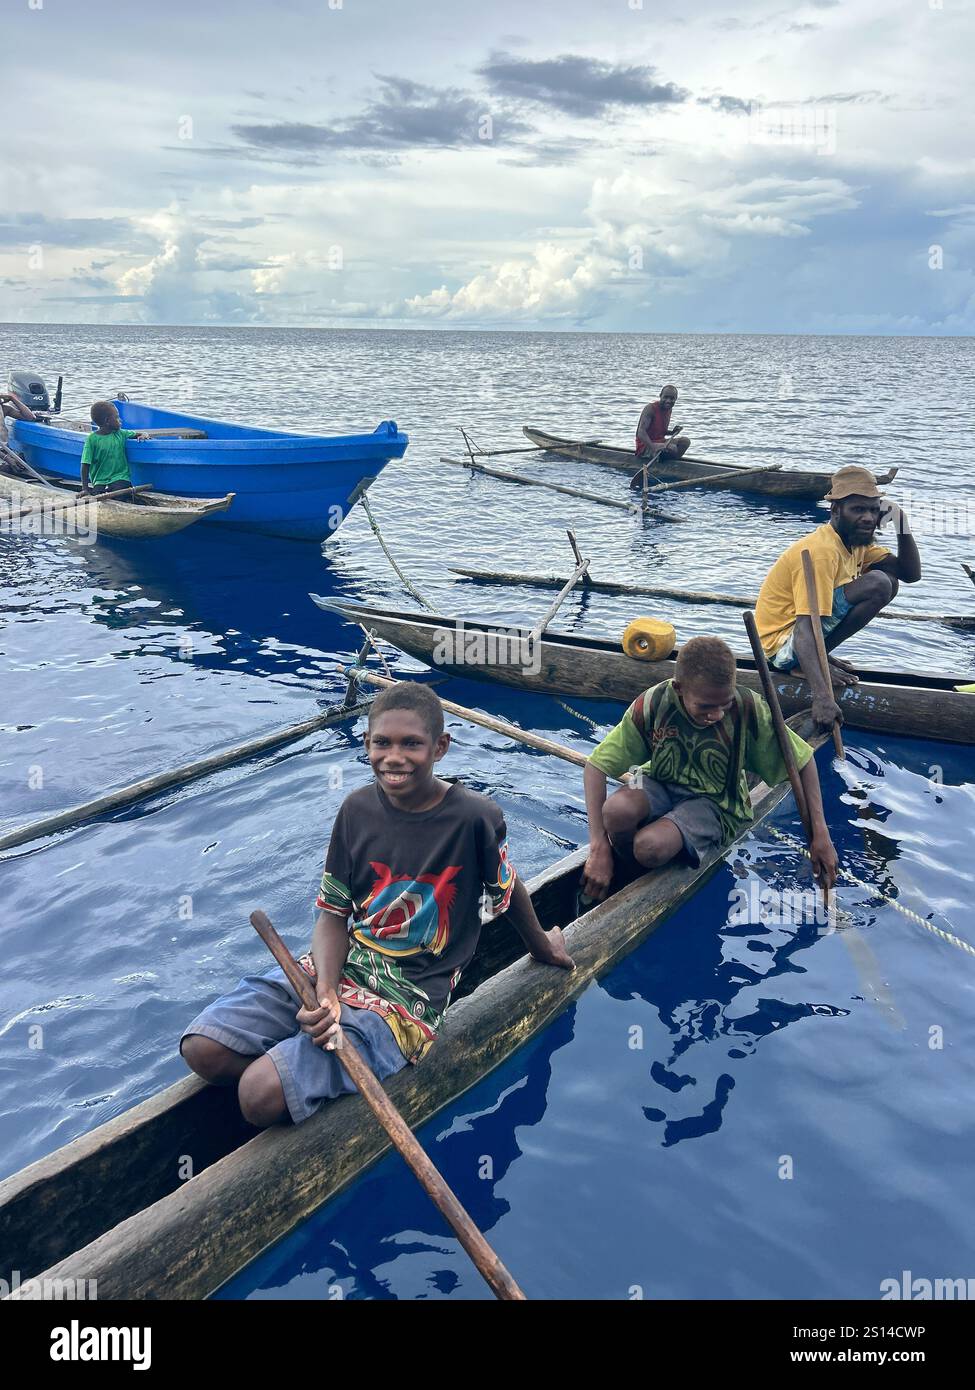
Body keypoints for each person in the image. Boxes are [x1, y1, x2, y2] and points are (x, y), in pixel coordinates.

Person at [181, 681, 574, 1128]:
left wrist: (542, 946)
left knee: (256, 1095)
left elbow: (506, 886)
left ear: (441, 747)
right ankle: (306, 1071)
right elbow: (333, 913)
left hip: (406, 999)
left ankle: (297, 1081)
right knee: (203, 1048)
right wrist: (326, 994)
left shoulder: (475, 817)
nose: (394, 757)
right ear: (366, 743)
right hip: (342, 966)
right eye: (382, 743)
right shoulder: (356, 811)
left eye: (412, 744)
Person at [580, 635, 837, 902]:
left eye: (723, 705)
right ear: (679, 688)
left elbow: (804, 761)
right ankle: (624, 871)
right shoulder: (654, 703)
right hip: (659, 782)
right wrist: (599, 847)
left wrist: (821, 836)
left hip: (715, 802)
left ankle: (644, 863)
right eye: (705, 706)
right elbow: (595, 767)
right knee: (615, 812)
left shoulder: (748, 708)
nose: (716, 715)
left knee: (649, 847)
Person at [754, 465, 921, 730]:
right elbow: (805, 627)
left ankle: (818, 658)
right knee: (878, 583)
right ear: (835, 511)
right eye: (858, 510)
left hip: (800, 640)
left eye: (873, 510)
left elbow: (909, 574)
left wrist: (902, 523)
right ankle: (805, 664)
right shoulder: (821, 551)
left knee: (889, 582)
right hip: (782, 648)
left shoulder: (856, 543)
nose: (868, 517)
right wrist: (822, 697)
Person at [80, 400, 149, 495]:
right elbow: (85, 465)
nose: (120, 420)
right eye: (117, 417)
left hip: (120, 478)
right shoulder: (92, 439)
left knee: (121, 493)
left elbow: (141, 433)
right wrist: (85, 488)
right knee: (98, 495)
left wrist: (143, 435)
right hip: (100, 481)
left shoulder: (121, 433)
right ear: (107, 421)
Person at [635, 384, 690, 460]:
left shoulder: (668, 409)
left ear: (676, 399)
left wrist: (672, 432)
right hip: (646, 446)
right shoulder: (650, 408)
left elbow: (660, 431)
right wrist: (653, 446)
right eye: (666, 397)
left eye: (672, 398)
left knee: (685, 442)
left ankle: (669, 461)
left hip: (661, 442)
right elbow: (640, 432)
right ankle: (663, 459)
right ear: (660, 396)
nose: (668, 401)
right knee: (672, 448)